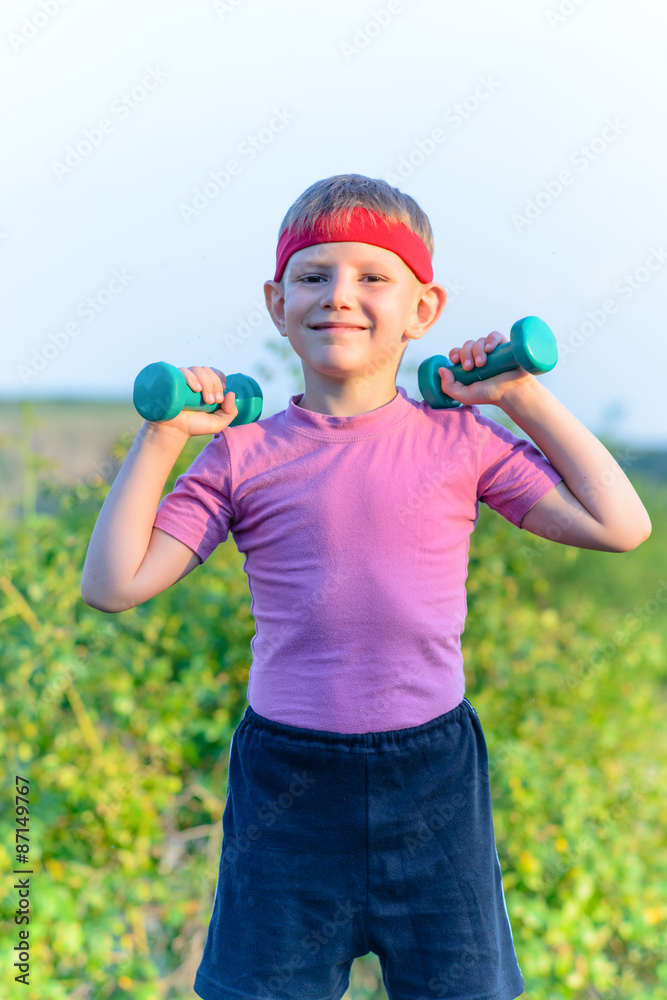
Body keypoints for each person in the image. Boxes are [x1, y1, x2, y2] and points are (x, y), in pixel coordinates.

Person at [81, 173, 651, 1000]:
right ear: (277, 304)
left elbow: (620, 525)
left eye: (371, 277)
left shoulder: (461, 439)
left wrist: (519, 393)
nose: (339, 296)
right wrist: (163, 436)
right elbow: (113, 584)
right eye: (313, 277)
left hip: (432, 778)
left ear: (424, 308)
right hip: (288, 782)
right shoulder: (244, 455)